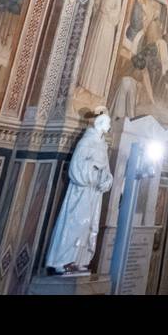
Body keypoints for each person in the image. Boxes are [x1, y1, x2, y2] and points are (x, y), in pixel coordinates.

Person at [44, 112, 114, 274]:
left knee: (89, 226)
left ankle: (80, 259)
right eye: (108, 123)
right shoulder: (87, 141)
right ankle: (63, 260)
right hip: (82, 191)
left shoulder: (103, 145)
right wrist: (93, 172)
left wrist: (106, 180)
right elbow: (76, 167)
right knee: (75, 223)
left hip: (94, 193)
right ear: (100, 124)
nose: (109, 126)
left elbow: (107, 170)